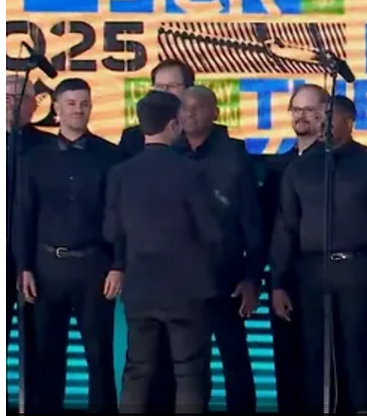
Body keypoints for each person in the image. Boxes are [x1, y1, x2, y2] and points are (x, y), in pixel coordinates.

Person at [271, 95, 367, 414]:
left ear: (350, 121)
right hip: (310, 274)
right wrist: (277, 283)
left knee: (358, 356)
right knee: (314, 356)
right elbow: (285, 228)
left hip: (359, 272)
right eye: (320, 118)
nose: (323, 124)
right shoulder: (299, 168)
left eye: (331, 118)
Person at [106, 91, 223, 413]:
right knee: (188, 371)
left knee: (137, 369)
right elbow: (211, 231)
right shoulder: (190, 172)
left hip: (141, 288)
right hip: (186, 290)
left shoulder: (120, 173)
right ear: (174, 123)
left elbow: (110, 231)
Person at [14, 78, 123, 412]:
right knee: (45, 355)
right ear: (57, 109)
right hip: (45, 269)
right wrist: (24, 267)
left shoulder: (111, 156)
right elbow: (22, 215)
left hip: (95, 268)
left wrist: (119, 265)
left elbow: (121, 216)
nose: (78, 110)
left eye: (84, 103)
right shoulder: (34, 158)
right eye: (71, 103)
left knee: (100, 355)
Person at [175, 86, 264, 413]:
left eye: (197, 108)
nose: (189, 114)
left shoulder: (234, 155)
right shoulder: (170, 152)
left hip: (225, 276)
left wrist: (252, 277)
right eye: (184, 108)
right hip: (178, 281)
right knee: (186, 363)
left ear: (215, 112)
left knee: (234, 358)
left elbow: (252, 221)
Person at [261, 84, 328, 414]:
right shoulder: (276, 166)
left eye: (310, 110)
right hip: (284, 275)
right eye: (296, 110)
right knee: (286, 359)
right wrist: (275, 281)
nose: (302, 116)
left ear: (326, 114)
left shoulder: (335, 162)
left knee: (322, 360)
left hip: (324, 275)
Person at [6, 75, 54, 390]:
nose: (11, 101)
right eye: (6, 95)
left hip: (35, 262)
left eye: (20, 97)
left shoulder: (49, 148)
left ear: (35, 106)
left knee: (40, 348)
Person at [119, 59, 196, 158]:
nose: (164, 91)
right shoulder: (132, 138)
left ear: (189, 88)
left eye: (172, 86)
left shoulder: (200, 132)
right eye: (159, 86)